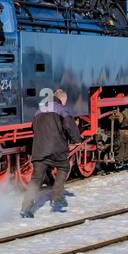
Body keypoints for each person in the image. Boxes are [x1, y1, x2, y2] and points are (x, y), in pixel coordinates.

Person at [21, 88, 81, 217]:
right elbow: (70, 126)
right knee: (64, 167)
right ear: (62, 99)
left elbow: (34, 127)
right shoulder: (62, 109)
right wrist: (76, 139)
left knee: (36, 179)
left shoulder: (39, 110)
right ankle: (57, 197)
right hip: (56, 149)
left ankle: (25, 208)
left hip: (39, 150)